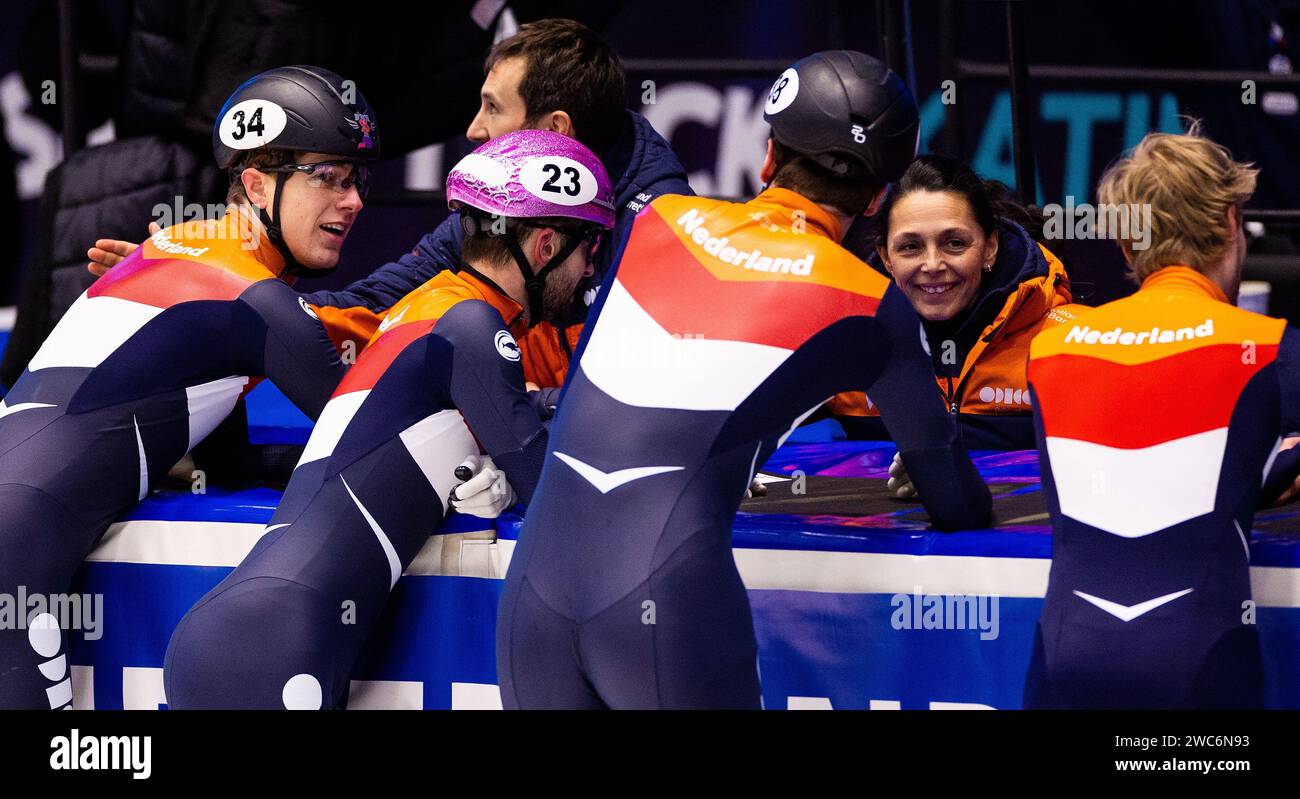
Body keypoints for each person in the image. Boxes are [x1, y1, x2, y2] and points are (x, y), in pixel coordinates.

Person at [496, 51, 993, 710]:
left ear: (768, 158)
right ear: (879, 198)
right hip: (667, 608)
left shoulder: (655, 221)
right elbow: (955, 501)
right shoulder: (870, 302)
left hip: (530, 604)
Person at [163, 129, 615, 709]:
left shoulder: (426, 311)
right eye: (588, 246)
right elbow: (549, 495)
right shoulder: (472, 326)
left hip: (255, 632)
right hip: (274, 648)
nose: (589, 268)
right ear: (546, 246)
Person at [0, 65, 377, 708]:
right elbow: (374, 434)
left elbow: (227, 460)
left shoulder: (178, 246)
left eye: (357, 180)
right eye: (328, 177)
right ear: (256, 185)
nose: (354, 201)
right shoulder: (254, 298)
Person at [88, 19, 691, 413]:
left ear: (555, 131)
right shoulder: (509, 199)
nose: (473, 130)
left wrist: (514, 402)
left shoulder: (658, 231)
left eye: (492, 108)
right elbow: (378, 302)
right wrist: (212, 296)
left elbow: (638, 403)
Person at [1024, 124, 1281, 709]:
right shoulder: (1269, 345)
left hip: (1063, 659)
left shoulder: (1051, 345)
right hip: (1203, 660)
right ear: (1231, 223)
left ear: (1125, 245)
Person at [827, 155, 1083, 454]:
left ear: (989, 248)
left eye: (955, 243)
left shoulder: (1072, 340)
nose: (932, 264)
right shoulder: (849, 343)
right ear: (887, 258)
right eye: (910, 247)